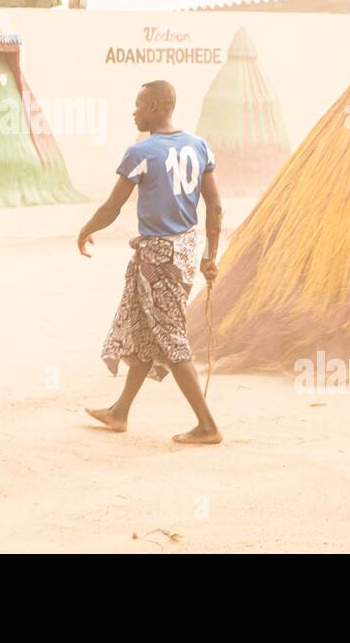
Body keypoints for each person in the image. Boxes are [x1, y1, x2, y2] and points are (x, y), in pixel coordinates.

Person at [77, 80, 224, 445]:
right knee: (145, 330)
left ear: (156, 106)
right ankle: (120, 412)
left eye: (140, 105)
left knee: (171, 337)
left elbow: (112, 207)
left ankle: (208, 426)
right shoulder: (199, 146)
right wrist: (210, 257)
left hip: (158, 256)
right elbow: (215, 207)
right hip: (186, 252)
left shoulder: (141, 153)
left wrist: (85, 229)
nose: (135, 111)